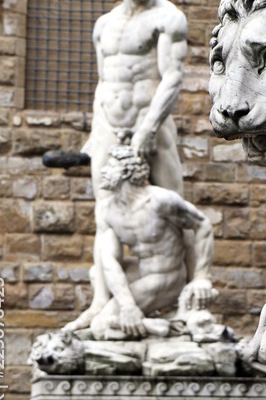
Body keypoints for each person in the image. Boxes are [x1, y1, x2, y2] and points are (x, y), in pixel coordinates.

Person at [84, 0, 188, 196]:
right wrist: (95, 134)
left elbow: (172, 77)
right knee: (106, 212)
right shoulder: (104, 25)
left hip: (151, 124)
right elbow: (103, 82)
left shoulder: (168, 17)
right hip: (109, 127)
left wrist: (148, 129)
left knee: (171, 205)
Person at [89, 145, 217, 340]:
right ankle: (157, 326)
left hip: (166, 277)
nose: (103, 171)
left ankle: (148, 323)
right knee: (95, 274)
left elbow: (203, 225)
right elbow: (110, 261)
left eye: (110, 166)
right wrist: (127, 306)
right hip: (141, 271)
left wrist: (201, 277)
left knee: (100, 326)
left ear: (126, 172)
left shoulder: (160, 200)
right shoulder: (107, 209)